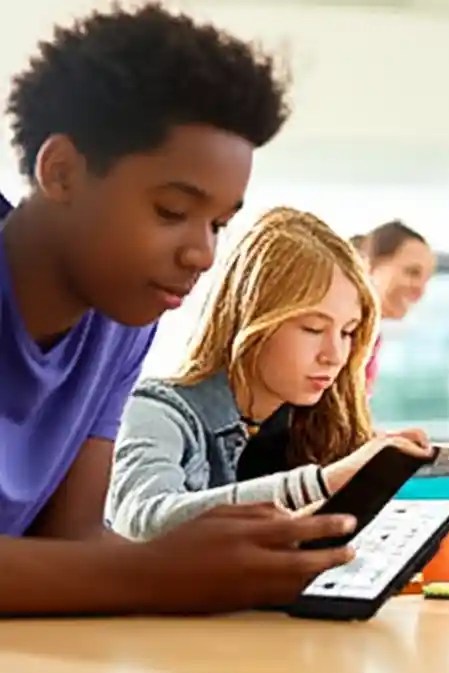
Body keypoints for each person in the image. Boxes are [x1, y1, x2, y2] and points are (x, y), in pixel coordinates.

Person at [0, 4, 356, 615]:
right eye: (171, 211)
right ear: (60, 172)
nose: (202, 254)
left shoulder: (120, 319)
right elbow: (101, 567)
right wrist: (151, 572)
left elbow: (69, 543)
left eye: (219, 224)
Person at [107, 207, 432, 540]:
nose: (334, 355)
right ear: (253, 320)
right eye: (313, 328)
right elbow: (141, 522)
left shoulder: (321, 426)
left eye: (348, 332)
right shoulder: (159, 412)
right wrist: (325, 482)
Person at [351, 220, 435, 392]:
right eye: (412, 272)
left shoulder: (371, 338)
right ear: (370, 265)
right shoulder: (343, 335)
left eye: (426, 279)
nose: (420, 291)